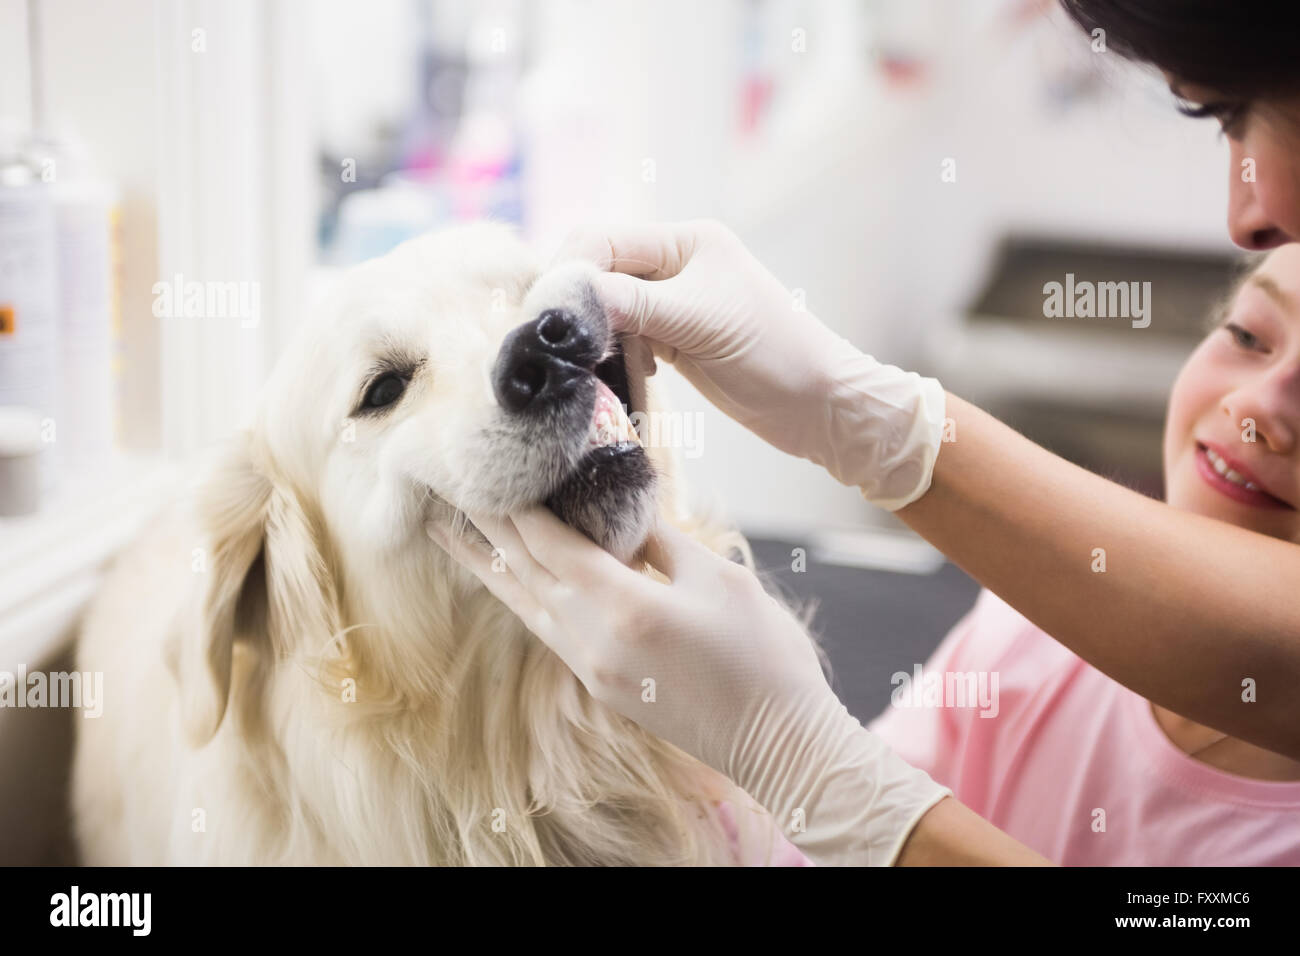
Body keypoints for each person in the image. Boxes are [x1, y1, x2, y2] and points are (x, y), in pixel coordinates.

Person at [425, 1, 1300, 865]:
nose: (1247, 215)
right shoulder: (1035, 637)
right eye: (1247, 335)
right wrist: (856, 411)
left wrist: (812, 771)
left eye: (1230, 106)